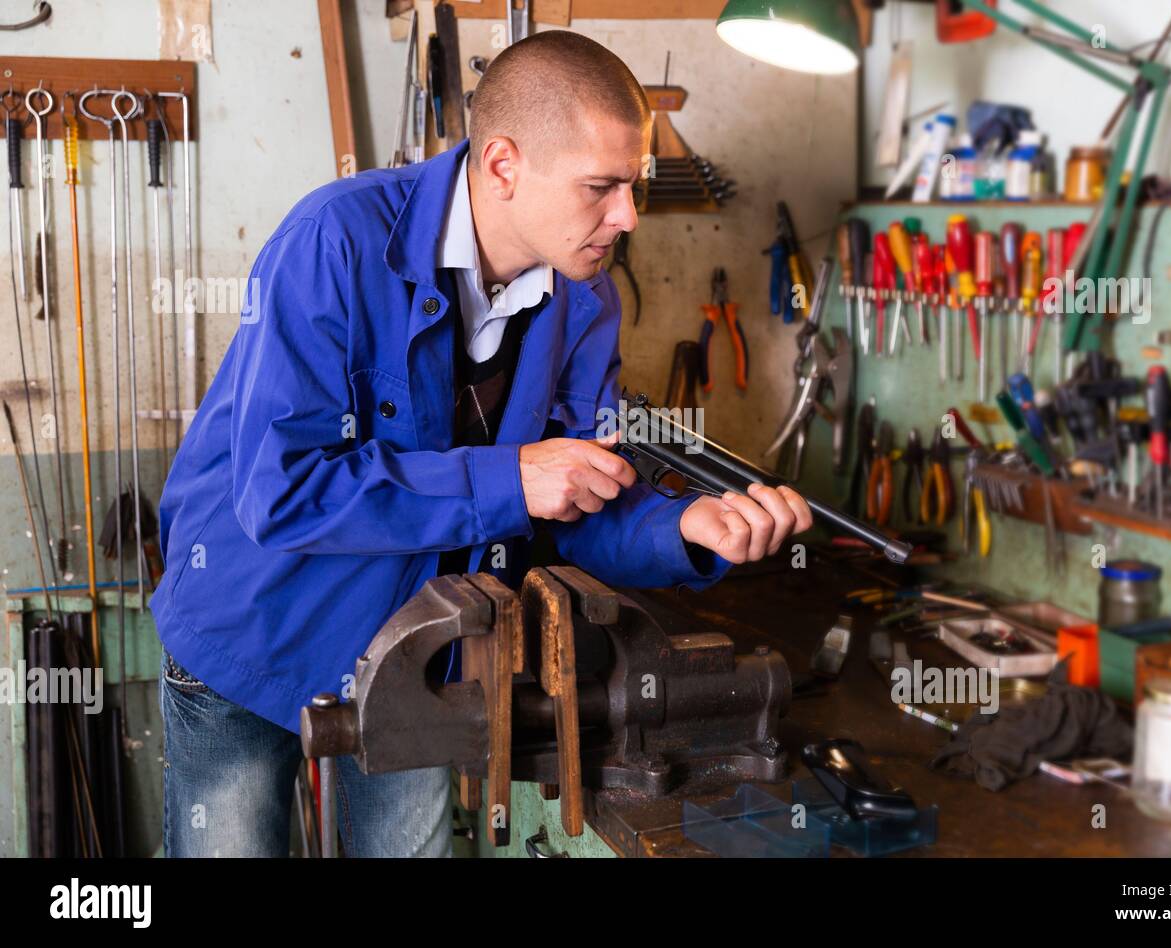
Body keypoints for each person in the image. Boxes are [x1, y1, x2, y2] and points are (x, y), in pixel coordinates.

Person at [151, 30, 812, 857]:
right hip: (251, 630)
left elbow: (567, 499)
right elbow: (279, 490)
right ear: (503, 165)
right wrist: (508, 479)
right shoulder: (334, 243)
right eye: (601, 188)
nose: (628, 216)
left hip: (409, 657)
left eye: (631, 186)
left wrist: (678, 531)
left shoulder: (587, 299)